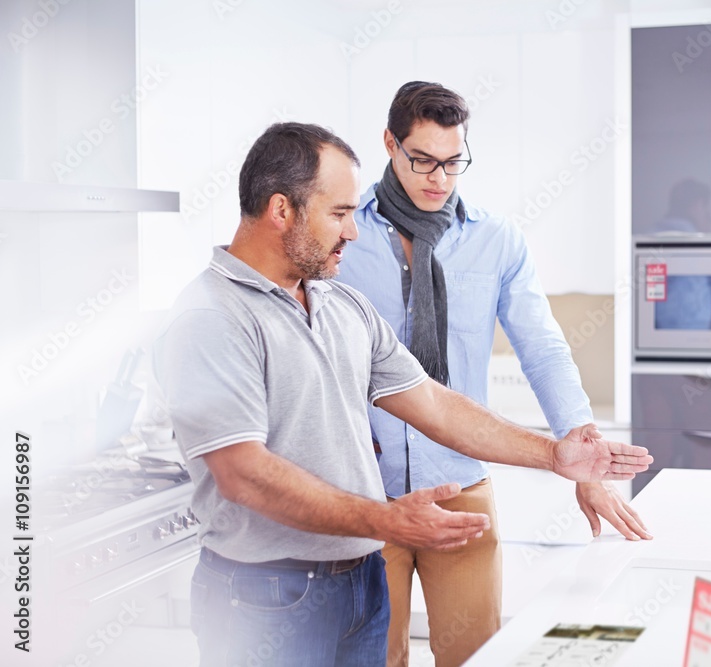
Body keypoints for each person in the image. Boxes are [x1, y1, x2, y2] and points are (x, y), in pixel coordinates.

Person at [152, 121, 652, 667]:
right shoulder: (210, 317)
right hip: (268, 595)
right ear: (281, 210)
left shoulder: (343, 306)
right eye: (339, 214)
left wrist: (554, 455)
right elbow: (241, 471)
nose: (354, 231)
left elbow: (434, 404)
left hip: (360, 582)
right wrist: (383, 520)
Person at [336, 82, 653, 667]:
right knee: (375, 659)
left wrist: (579, 446)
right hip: (362, 488)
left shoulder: (496, 240)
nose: (439, 178)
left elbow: (542, 346)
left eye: (453, 163)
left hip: (460, 485)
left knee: (475, 655)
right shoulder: (342, 236)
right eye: (423, 160)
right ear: (390, 144)